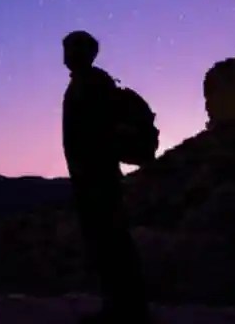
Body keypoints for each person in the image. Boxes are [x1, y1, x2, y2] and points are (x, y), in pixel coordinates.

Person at [62, 30, 150, 324]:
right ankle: (121, 306)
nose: (66, 53)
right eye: (66, 47)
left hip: (99, 177)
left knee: (111, 242)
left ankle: (127, 309)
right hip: (90, 176)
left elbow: (98, 130)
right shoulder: (84, 84)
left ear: (86, 52)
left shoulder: (95, 84)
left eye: (73, 47)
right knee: (105, 242)